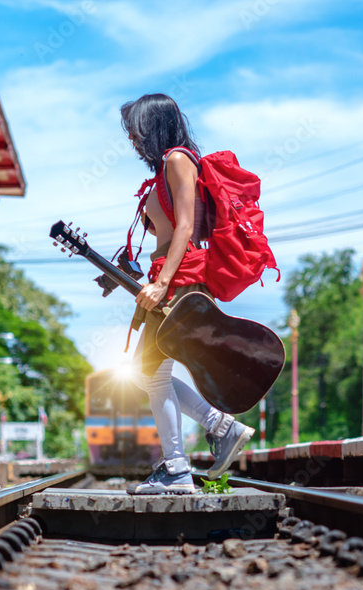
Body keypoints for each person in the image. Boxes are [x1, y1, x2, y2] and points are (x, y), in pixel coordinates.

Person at [121, 93, 254, 495]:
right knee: (150, 373)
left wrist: (163, 283)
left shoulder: (178, 160)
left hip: (178, 279)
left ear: (153, 125)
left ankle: (178, 469)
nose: (131, 138)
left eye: (134, 129)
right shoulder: (166, 168)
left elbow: (183, 227)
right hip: (168, 276)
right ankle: (219, 429)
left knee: (150, 373)